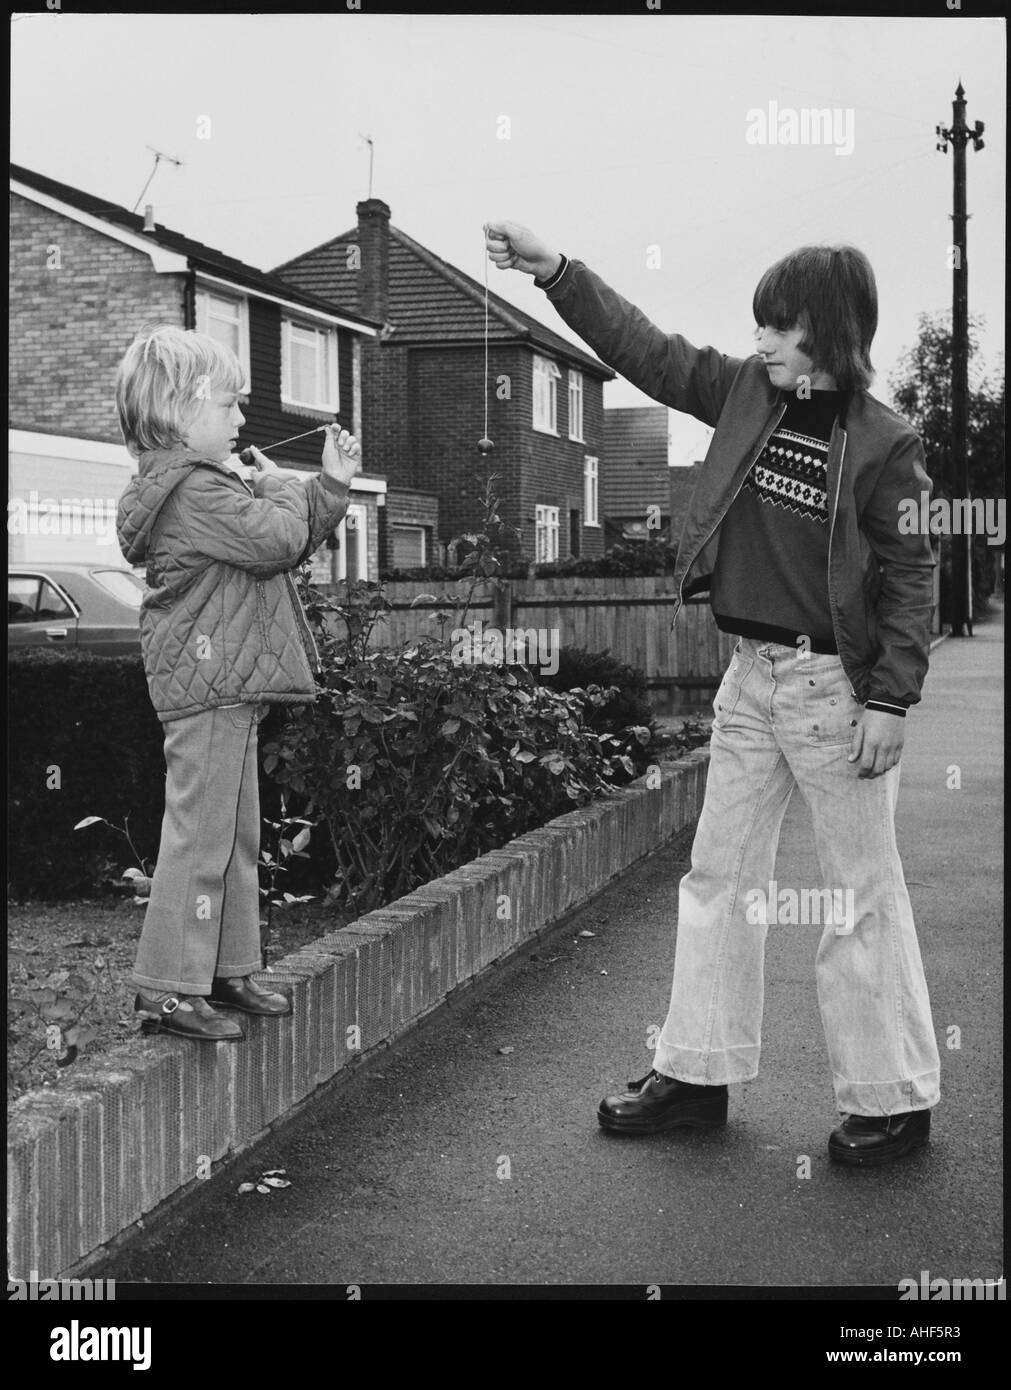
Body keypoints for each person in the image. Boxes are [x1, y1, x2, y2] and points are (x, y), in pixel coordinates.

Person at [485, 222, 940, 1165]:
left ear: (826, 332)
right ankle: (695, 1073)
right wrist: (559, 273)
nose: (762, 343)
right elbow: (646, 351)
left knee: (859, 893)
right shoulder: (741, 391)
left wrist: (891, 700)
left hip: (833, 690)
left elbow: (909, 572)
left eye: (778, 328)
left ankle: (891, 1097)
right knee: (717, 880)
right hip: (749, 679)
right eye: (759, 329)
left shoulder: (885, 444)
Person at [115, 325, 361, 1041]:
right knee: (199, 837)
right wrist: (285, 484)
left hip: (225, 684)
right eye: (230, 405)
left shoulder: (211, 486)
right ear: (185, 408)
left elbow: (281, 535)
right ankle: (167, 988)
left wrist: (332, 486)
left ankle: (226, 968)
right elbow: (275, 539)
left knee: (235, 837)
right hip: (208, 683)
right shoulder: (194, 492)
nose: (241, 420)